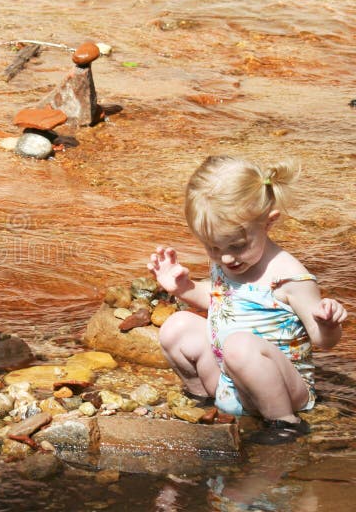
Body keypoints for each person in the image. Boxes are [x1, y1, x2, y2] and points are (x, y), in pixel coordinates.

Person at [147, 155, 347, 445]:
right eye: (213, 247)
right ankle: (203, 401)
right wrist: (183, 287)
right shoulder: (228, 259)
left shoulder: (289, 276)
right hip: (229, 380)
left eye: (238, 246)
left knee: (239, 346)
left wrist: (328, 323)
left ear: (268, 222)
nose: (227, 258)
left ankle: (285, 424)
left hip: (283, 389)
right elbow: (221, 301)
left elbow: (323, 340)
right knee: (176, 326)